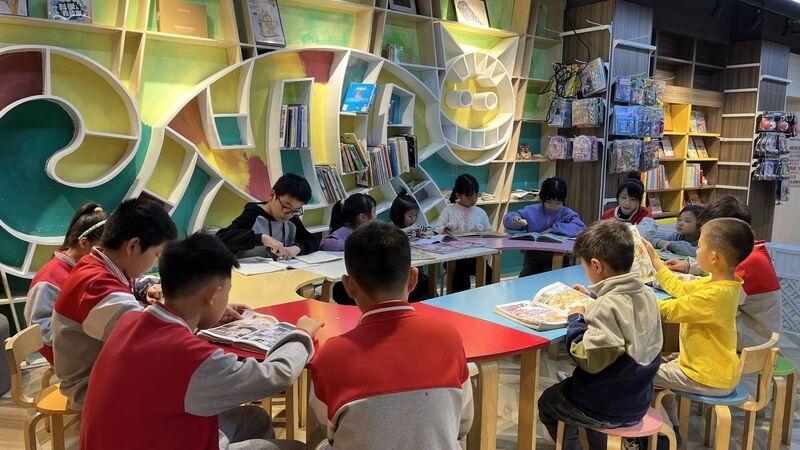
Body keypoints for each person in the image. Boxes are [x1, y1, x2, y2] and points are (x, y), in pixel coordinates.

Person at [80, 232, 321, 450]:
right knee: (296, 448)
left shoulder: (131, 320)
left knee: (254, 419)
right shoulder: (192, 358)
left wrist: (202, 319)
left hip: (124, 438)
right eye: (226, 291)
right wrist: (302, 334)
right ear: (212, 295)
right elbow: (275, 376)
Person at [309, 222, 473, 449]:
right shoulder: (448, 336)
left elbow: (328, 428)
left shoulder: (332, 354)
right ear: (413, 279)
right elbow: (463, 424)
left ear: (348, 286)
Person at [538, 220, 662, 450]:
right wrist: (593, 296)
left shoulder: (607, 307)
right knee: (578, 397)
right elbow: (623, 315)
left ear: (596, 265)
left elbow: (589, 359)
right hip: (637, 396)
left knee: (548, 402)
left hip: (607, 404)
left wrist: (576, 320)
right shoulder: (646, 294)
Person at [51, 198, 178, 409]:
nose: (155, 263)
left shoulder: (98, 264)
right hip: (90, 387)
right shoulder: (96, 284)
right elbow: (149, 339)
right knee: (182, 387)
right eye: (156, 254)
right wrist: (196, 311)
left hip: (103, 372)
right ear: (133, 245)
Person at [642, 217, 754, 446]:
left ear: (714, 257)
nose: (696, 250)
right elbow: (680, 289)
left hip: (706, 376)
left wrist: (628, 298)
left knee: (637, 374)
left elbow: (669, 311)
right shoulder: (721, 284)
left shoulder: (715, 295)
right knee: (654, 370)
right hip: (708, 369)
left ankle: (664, 436)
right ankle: (672, 430)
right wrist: (655, 260)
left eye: (700, 245)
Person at [662, 196, 781, 350]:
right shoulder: (750, 253)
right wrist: (688, 266)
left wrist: (661, 278)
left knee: (692, 322)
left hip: (749, 345)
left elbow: (704, 292)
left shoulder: (746, 265)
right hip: (756, 336)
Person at [24, 203, 109, 365]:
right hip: (68, 357)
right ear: (84, 243)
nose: (107, 257)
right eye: (103, 250)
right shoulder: (50, 278)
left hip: (86, 343)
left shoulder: (87, 266)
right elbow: (40, 331)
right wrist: (87, 328)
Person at [217, 173, 319, 260]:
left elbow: (312, 241)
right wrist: (262, 238)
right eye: (286, 207)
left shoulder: (292, 218)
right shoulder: (252, 215)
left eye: (296, 210)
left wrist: (297, 248)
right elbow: (221, 239)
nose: (288, 215)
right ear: (272, 195)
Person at [502, 177, 586, 276]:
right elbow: (507, 219)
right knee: (526, 277)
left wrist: (555, 228)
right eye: (549, 202)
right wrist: (515, 220)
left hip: (560, 258)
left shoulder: (567, 213)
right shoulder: (531, 210)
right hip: (533, 259)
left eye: (558, 203)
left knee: (554, 278)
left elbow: (580, 228)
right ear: (542, 198)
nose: (553, 206)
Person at [431, 173, 493, 292]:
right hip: (453, 257)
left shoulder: (480, 212)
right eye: (469, 197)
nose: (473, 200)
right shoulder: (449, 210)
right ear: (458, 195)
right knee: (461, 274)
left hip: (474, 255)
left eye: (476, 195)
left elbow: (489, 231)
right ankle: (460, 299)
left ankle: (487, 297)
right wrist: (445, 229)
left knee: (488, 273)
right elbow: (436, 230)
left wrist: (482, 231)